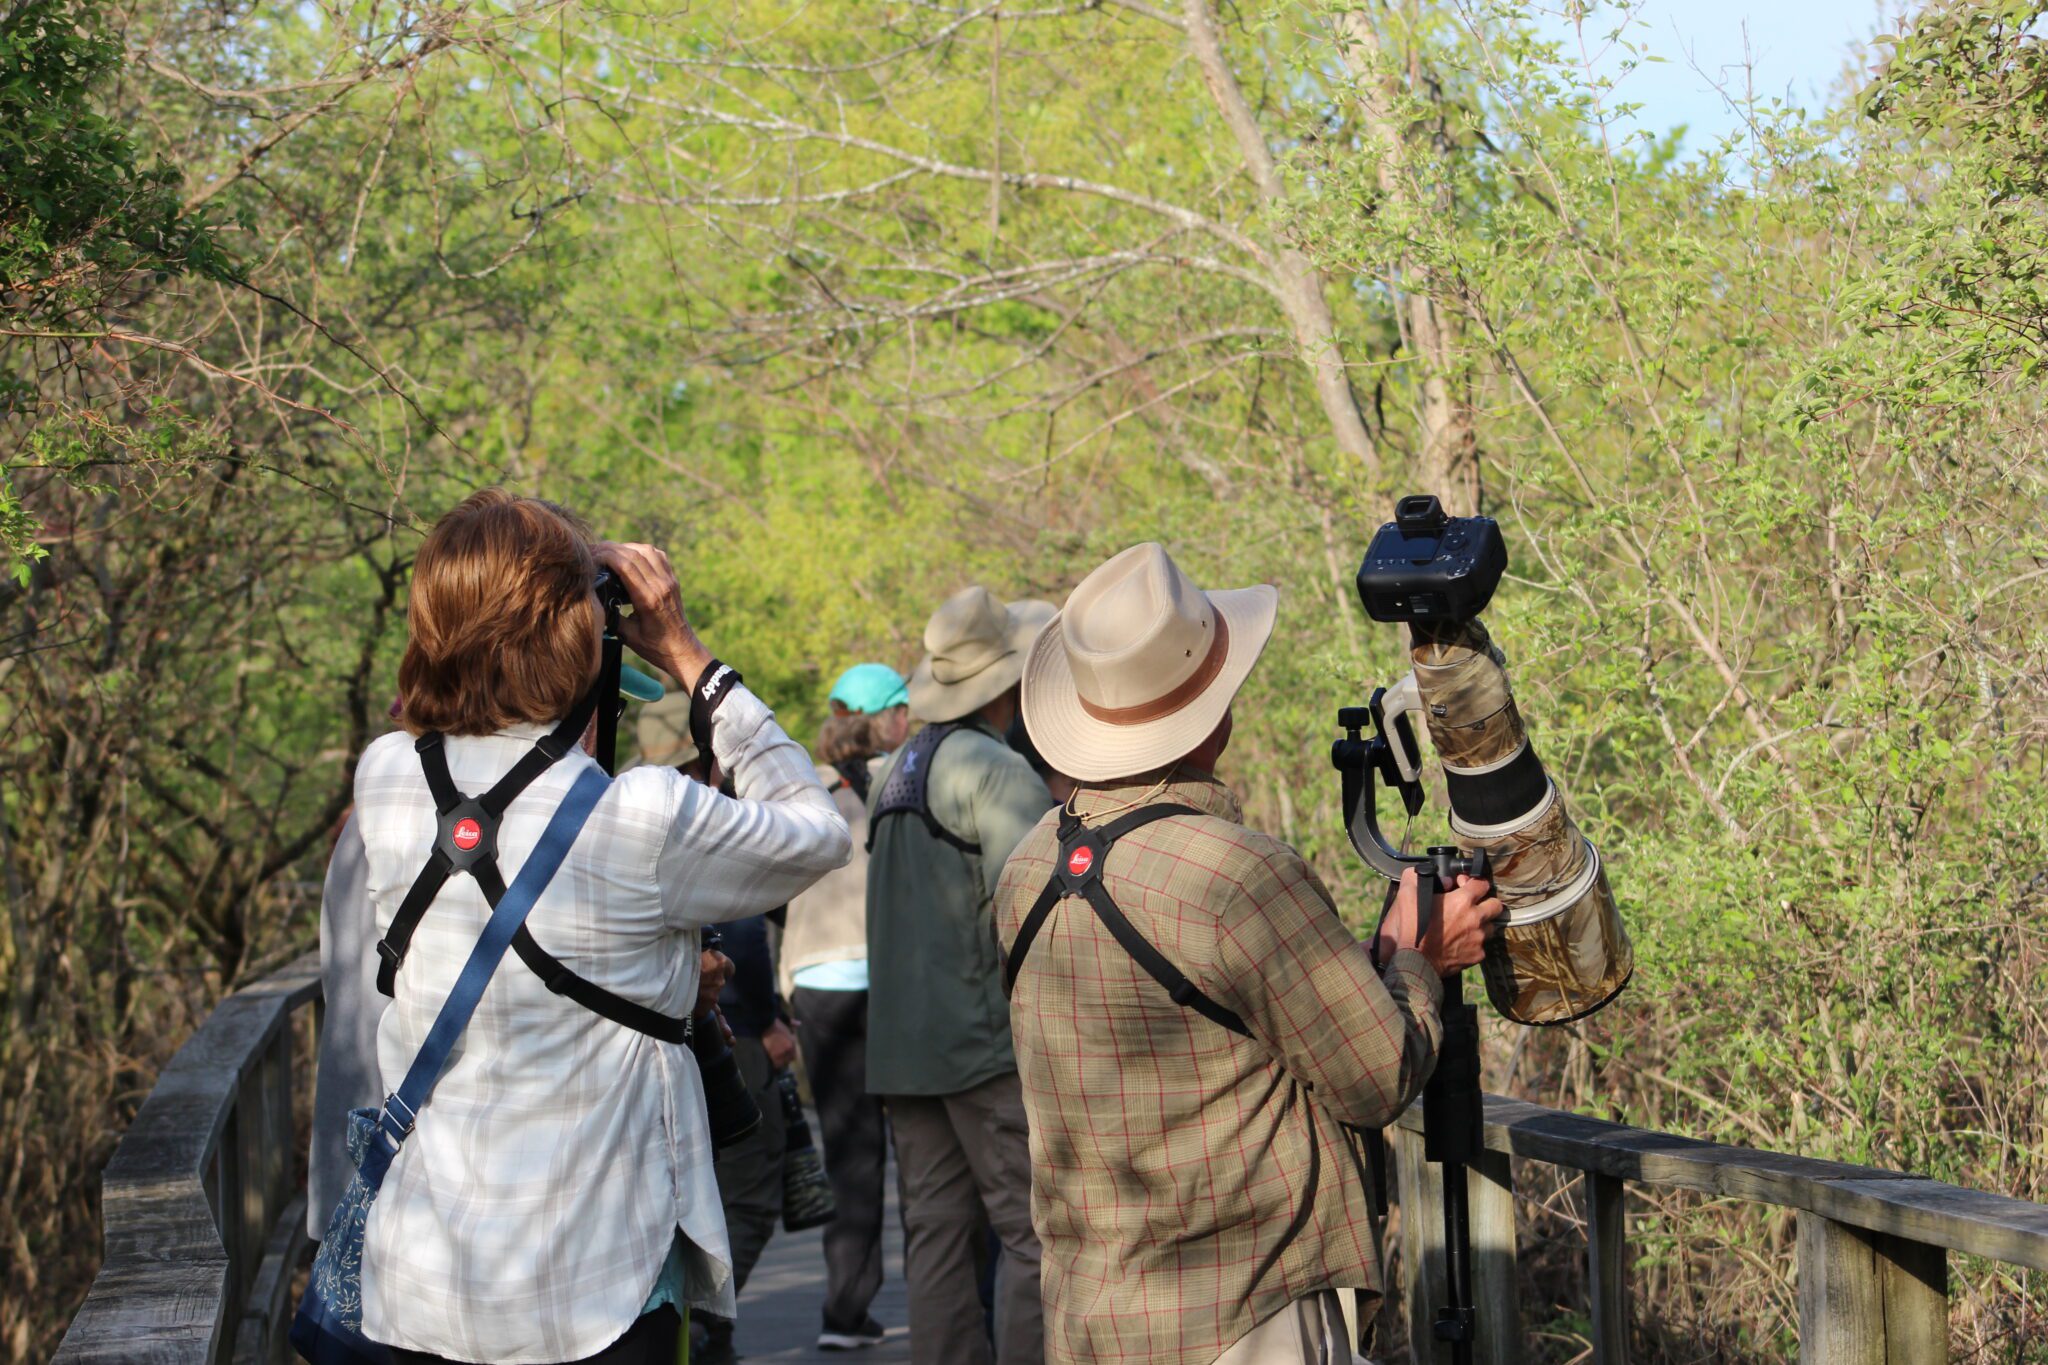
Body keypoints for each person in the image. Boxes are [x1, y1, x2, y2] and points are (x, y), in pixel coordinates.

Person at [352, 490, 850, 1365]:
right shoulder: (644, 816)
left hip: (423, 1284)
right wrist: (688, 654)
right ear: (578, 633)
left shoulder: (387, 777)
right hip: (595, 1295)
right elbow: (818, 826)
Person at [996, 543, 1503, 1365]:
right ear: (1213, 711)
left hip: (1093, 1315)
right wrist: (1423, 959)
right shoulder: (1238, 873)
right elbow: (1377, 1077)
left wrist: (1376, 962)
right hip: (1241, 1315)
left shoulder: (1026, 867)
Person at [865, 588, 1056, 1365]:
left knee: (937, 1243)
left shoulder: (894, 768)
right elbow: (1036, 915)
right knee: (1034, 1235)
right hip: (982, 1049)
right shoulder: (996, 769)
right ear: (1009, 684)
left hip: (902, 1053)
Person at [775, 663, 913, 1353]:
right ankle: (952, 1300)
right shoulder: (911, 784)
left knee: (851, 1154)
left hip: (820, 987)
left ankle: (844, 1311)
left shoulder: (806, 794)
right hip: (896, 985)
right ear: (887, 717)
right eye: (903, 709)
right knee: (924, 1150)